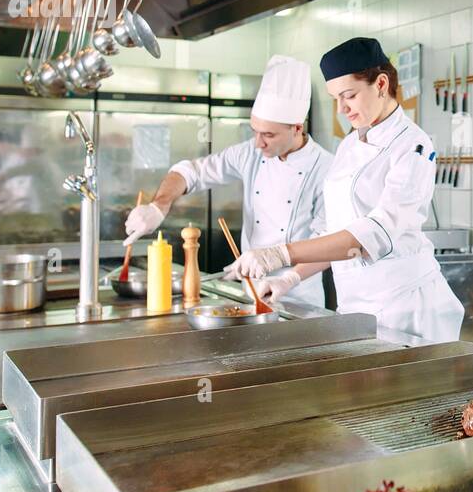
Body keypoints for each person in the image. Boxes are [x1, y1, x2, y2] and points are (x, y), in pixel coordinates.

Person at [229, 37, 464, 345]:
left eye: (348, 95)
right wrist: (290, 277)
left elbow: (372, 235)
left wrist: (281, 253)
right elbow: (335, 233)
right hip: (354, 304)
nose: (341, 109)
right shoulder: (350, 145)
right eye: (335, 98)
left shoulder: (414, 147)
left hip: (404, 305)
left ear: (380, 83)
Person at [123, 55, 331, 306]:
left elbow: (329, 244)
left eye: (268, 135)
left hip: (298, 300)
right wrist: (160, 205)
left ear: (297, 128)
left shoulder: (326, 169)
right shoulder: (250, 153)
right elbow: (191, 172)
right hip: (250, 293)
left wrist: (287, 280)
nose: (258, 143)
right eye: (255, 131)